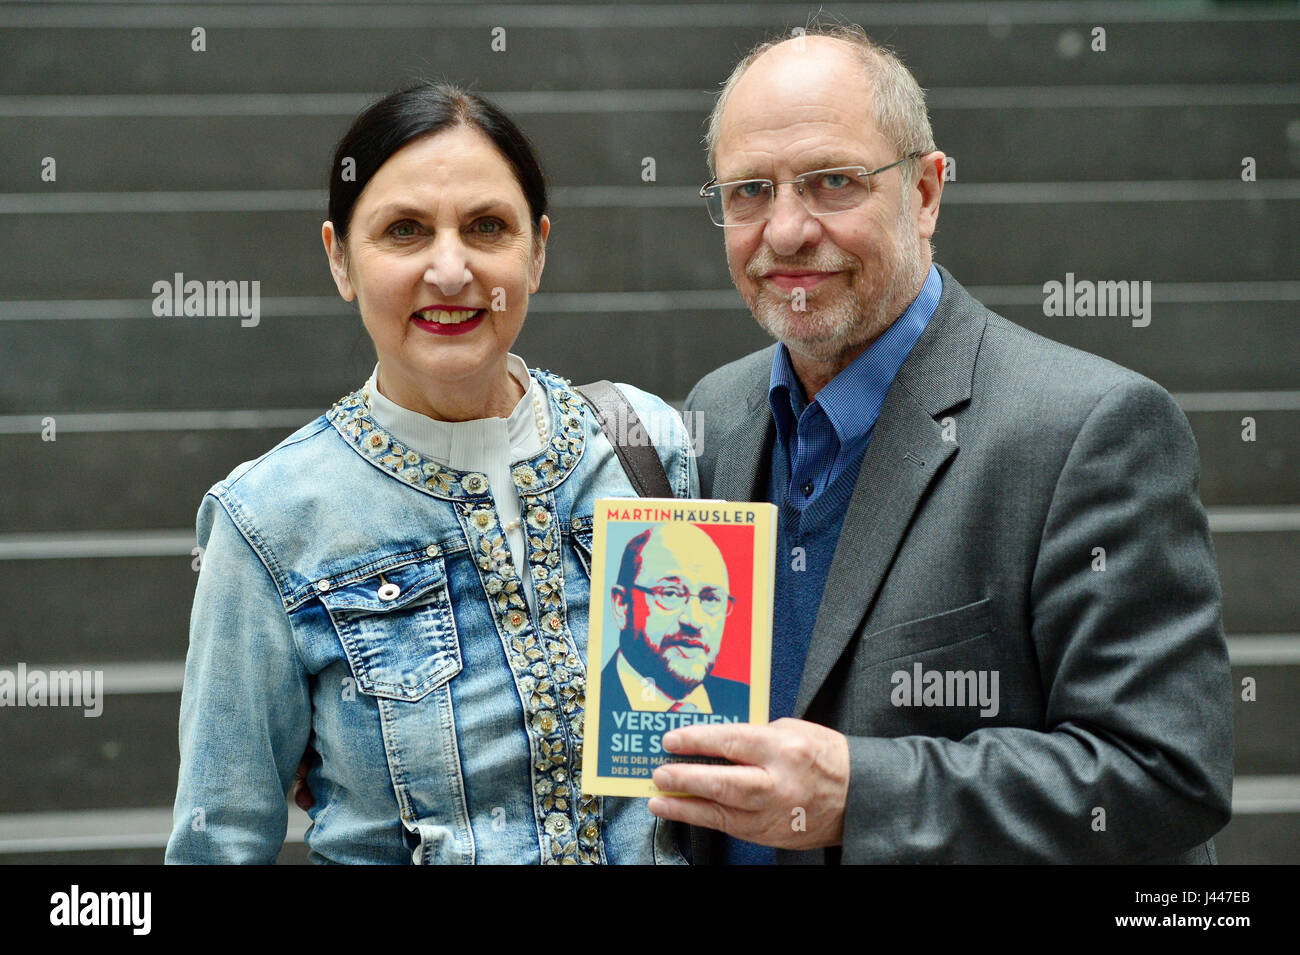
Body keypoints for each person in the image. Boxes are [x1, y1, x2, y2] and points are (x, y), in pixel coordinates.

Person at [648, 23, 1234, 864]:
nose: (783, 231)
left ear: (924, 192)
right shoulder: (718, 411)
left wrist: (860, 795)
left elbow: (1163, 771)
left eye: (831, 182)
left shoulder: (1091, 428)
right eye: (748, 192)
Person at [165, 82, 697, 864]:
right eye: (404, 231)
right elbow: (220, 841)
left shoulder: (644, 443)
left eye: (487, 227)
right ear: (340, 259)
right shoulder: (271, 520)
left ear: (537, 250)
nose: (450, 271)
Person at [601, 524, 749, 716]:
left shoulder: (747, 704)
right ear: (622, 605)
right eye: (670, 593)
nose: (694, 621)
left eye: (711, 599)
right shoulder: (585, 701)